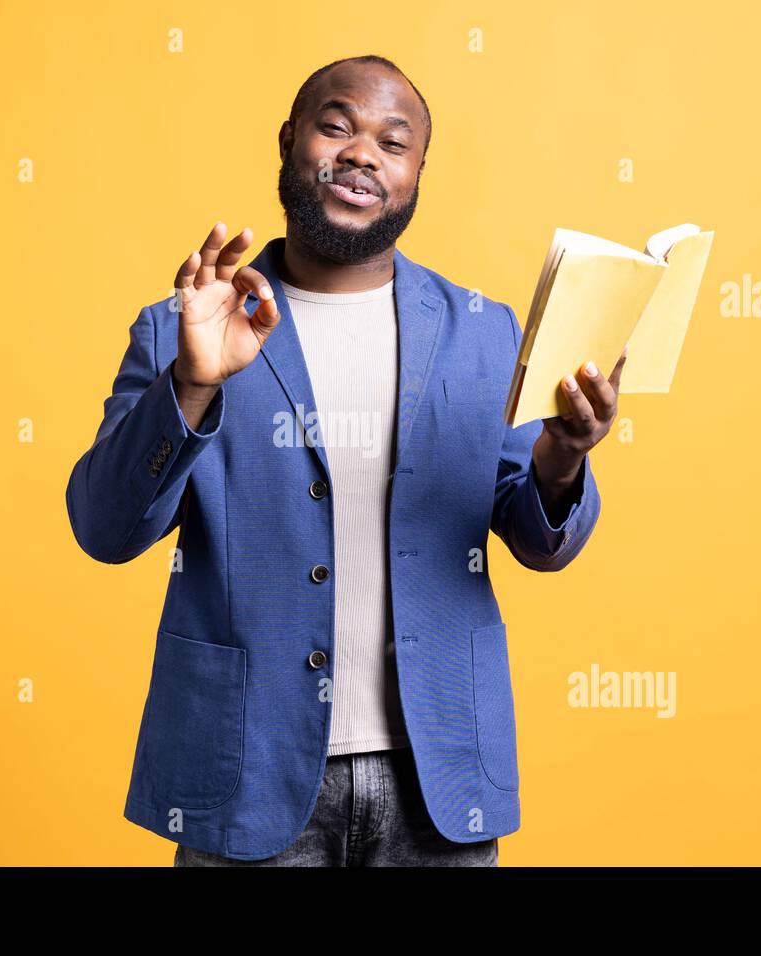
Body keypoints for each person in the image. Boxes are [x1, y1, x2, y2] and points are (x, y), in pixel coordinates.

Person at [65, 54, 624, 866]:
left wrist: (563, 457)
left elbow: (543, 543)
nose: (363, 153)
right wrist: (190, 381)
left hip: (438, 779)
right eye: (337, 126)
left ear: (416, 175)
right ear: (290, 142)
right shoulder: (182, 327)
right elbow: (105, 529)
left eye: (393, 143)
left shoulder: (484, 331)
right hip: (244, 776)